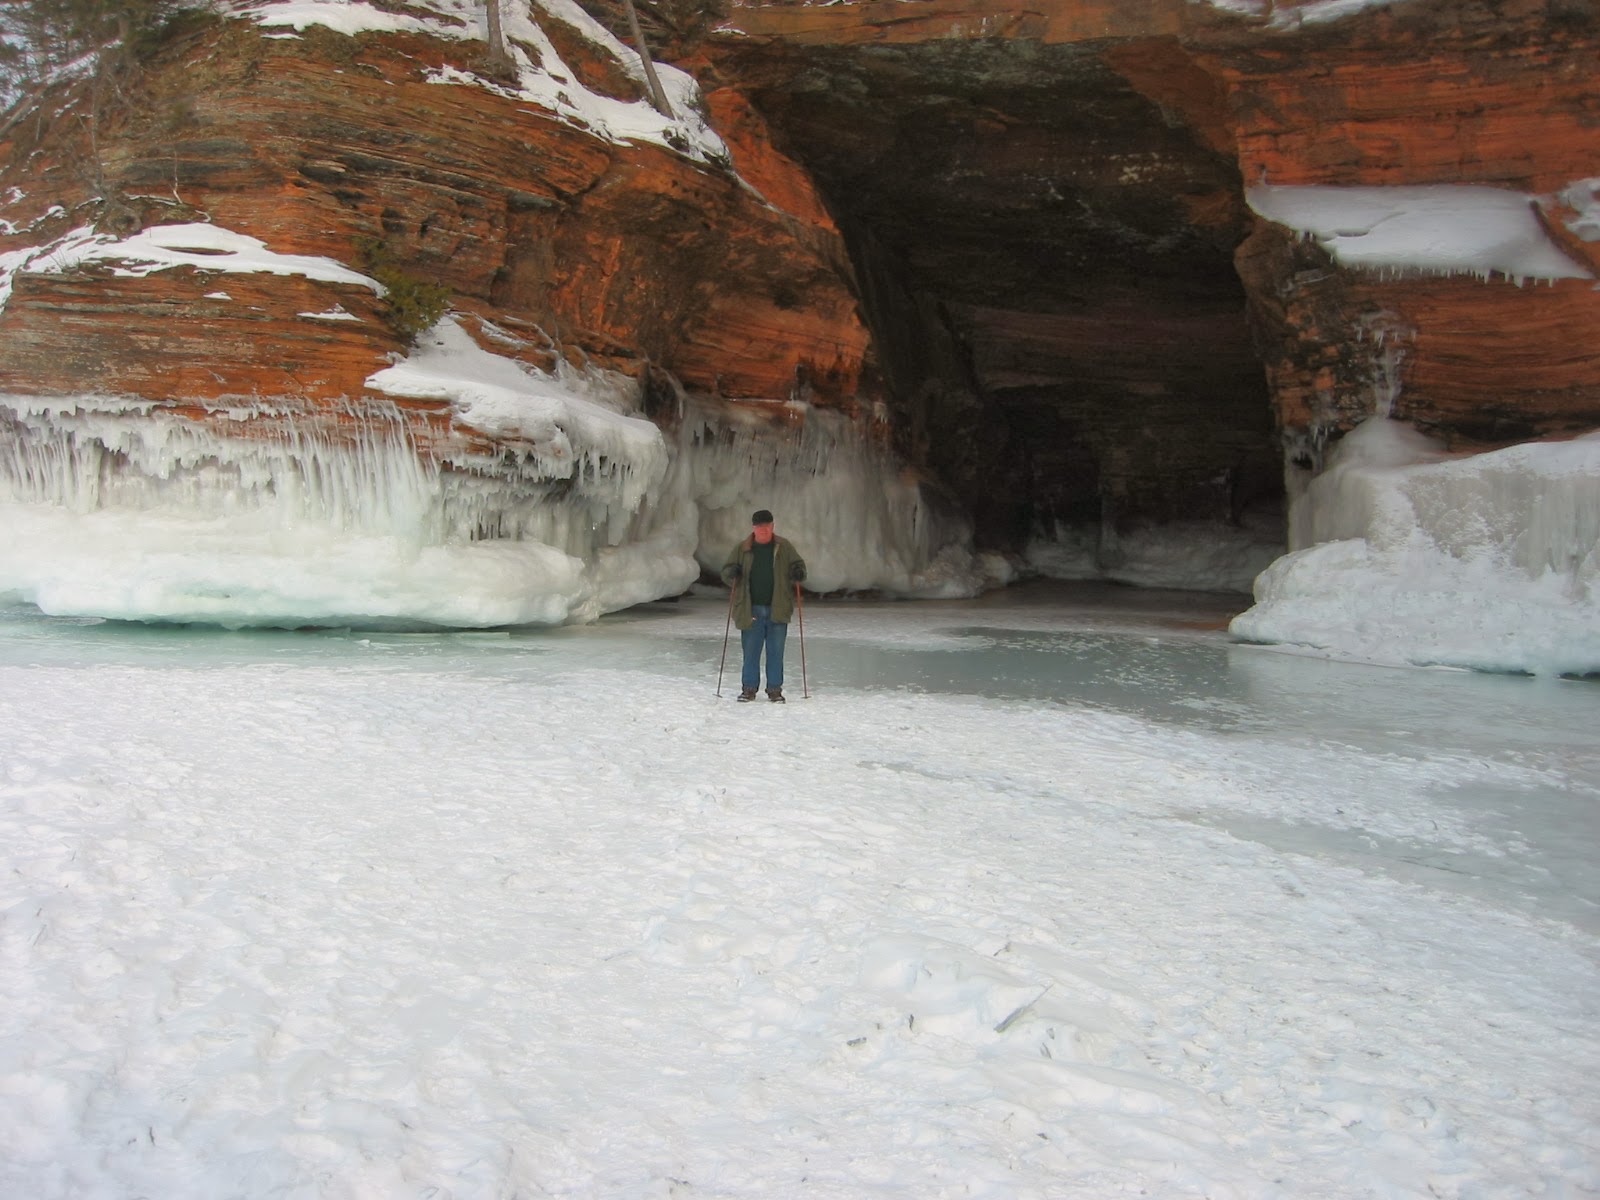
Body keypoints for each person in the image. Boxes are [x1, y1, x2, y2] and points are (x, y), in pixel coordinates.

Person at [721, 509, 807, 702]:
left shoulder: (784, 547)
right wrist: (732, 572)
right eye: (760, 526)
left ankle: (774, 690)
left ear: (772, 526)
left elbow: (799, 565)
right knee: (751, 651)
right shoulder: (742, 549)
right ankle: (749, 689)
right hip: (750, 609)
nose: (763, 530)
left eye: (767, 526)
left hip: (778, 608)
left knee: (776, 652)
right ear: (754, 528)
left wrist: (798, 572)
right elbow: (726, 572)